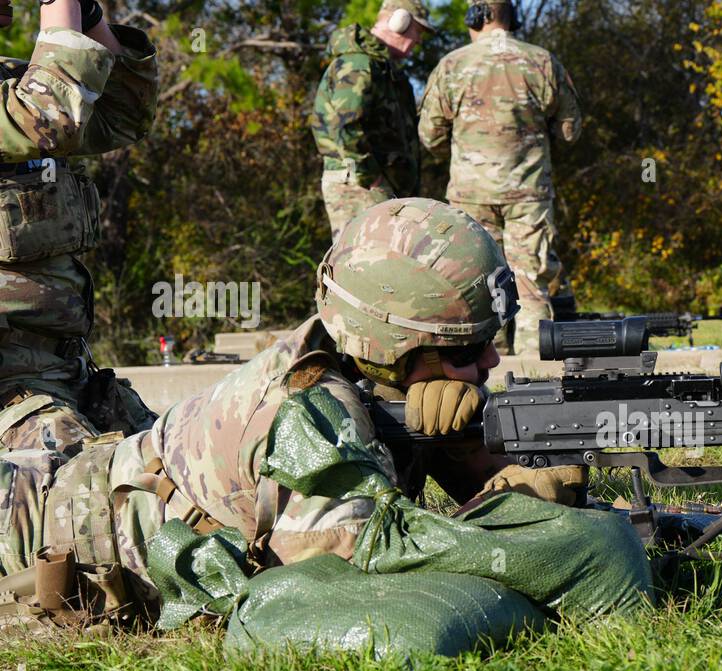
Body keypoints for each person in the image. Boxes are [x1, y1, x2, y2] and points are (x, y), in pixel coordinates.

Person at [0, 199, 590, 626]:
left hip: (101, 468)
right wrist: (514, 507)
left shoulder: (371, 375)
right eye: (463, 348)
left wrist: (475, 450)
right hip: (45, 523)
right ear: (390, 344)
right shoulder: (312, 411)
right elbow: (364, 586)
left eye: (488, 339)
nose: (488, 359)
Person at [0, 0, 158, 455]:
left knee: (181, 471)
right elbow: (47, 119)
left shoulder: (14, 83)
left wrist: (86, 14)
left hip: (65, 373)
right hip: (11, 388)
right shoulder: (30, 100)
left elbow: (123, 115)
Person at [418, 1, 582, 356]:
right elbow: (570, 130)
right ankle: (534, 372)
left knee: (478, 283)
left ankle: (486, 367)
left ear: (475, 16)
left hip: (470, 193)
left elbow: (429, 136)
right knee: (530, 281)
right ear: (513, 17)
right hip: (528, 193)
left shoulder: (451, 66)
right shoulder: (541, 61)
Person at [312, 0, 434, 239]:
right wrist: (373, 180)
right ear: (399, 22)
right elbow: (347, 126)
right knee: (358, 266)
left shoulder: (382, 68)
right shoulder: (359, 64)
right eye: (416, 31)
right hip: (359, 185)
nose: (418, 41)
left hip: (373, 186)